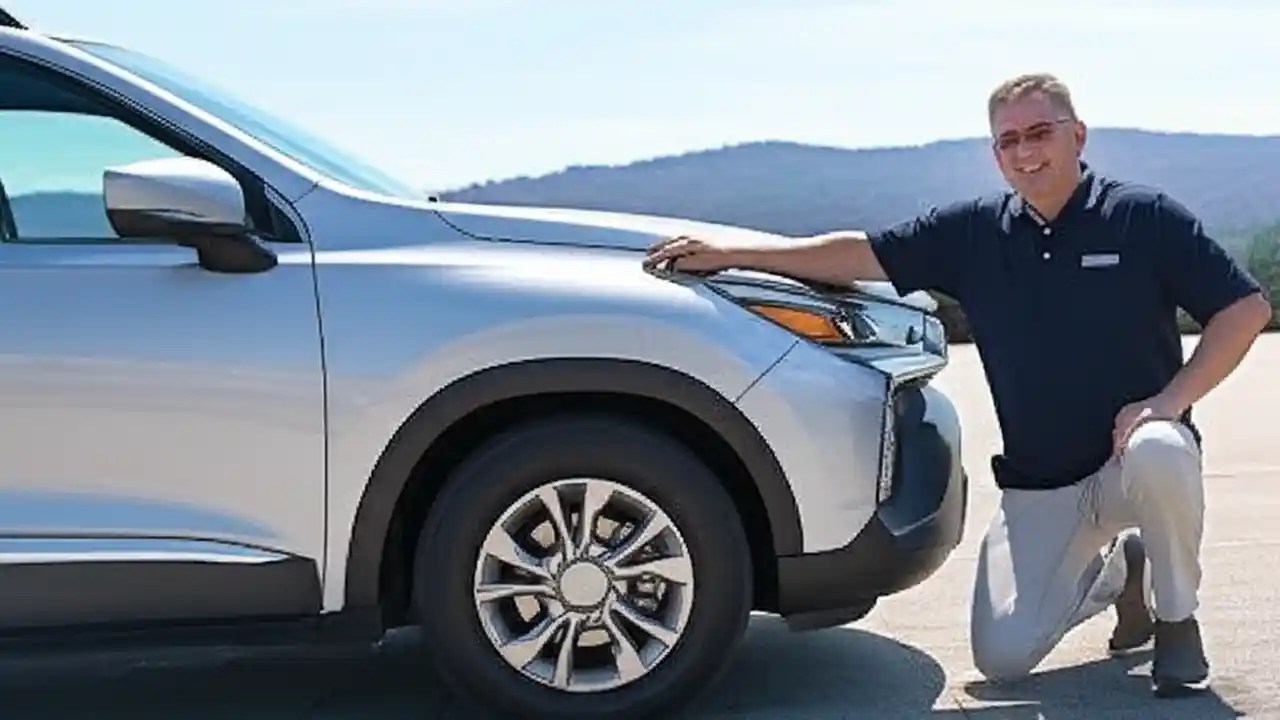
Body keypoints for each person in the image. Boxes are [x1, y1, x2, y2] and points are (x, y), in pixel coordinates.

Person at [643, 73, 1273, 697]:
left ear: (1077, 135)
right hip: (1042, 485)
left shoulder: (1142, 217)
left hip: (1130, 462)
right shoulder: (974, 232)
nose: (1026, 153)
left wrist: (1168, 402)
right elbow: (859, 254)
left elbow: (1245, 310)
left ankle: (1176, 619)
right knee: (1002, 660)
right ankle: (1118, 576)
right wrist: (734, 256)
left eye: (1040, 133)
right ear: (995, 153)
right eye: (1008, 141)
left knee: (1162, 447)